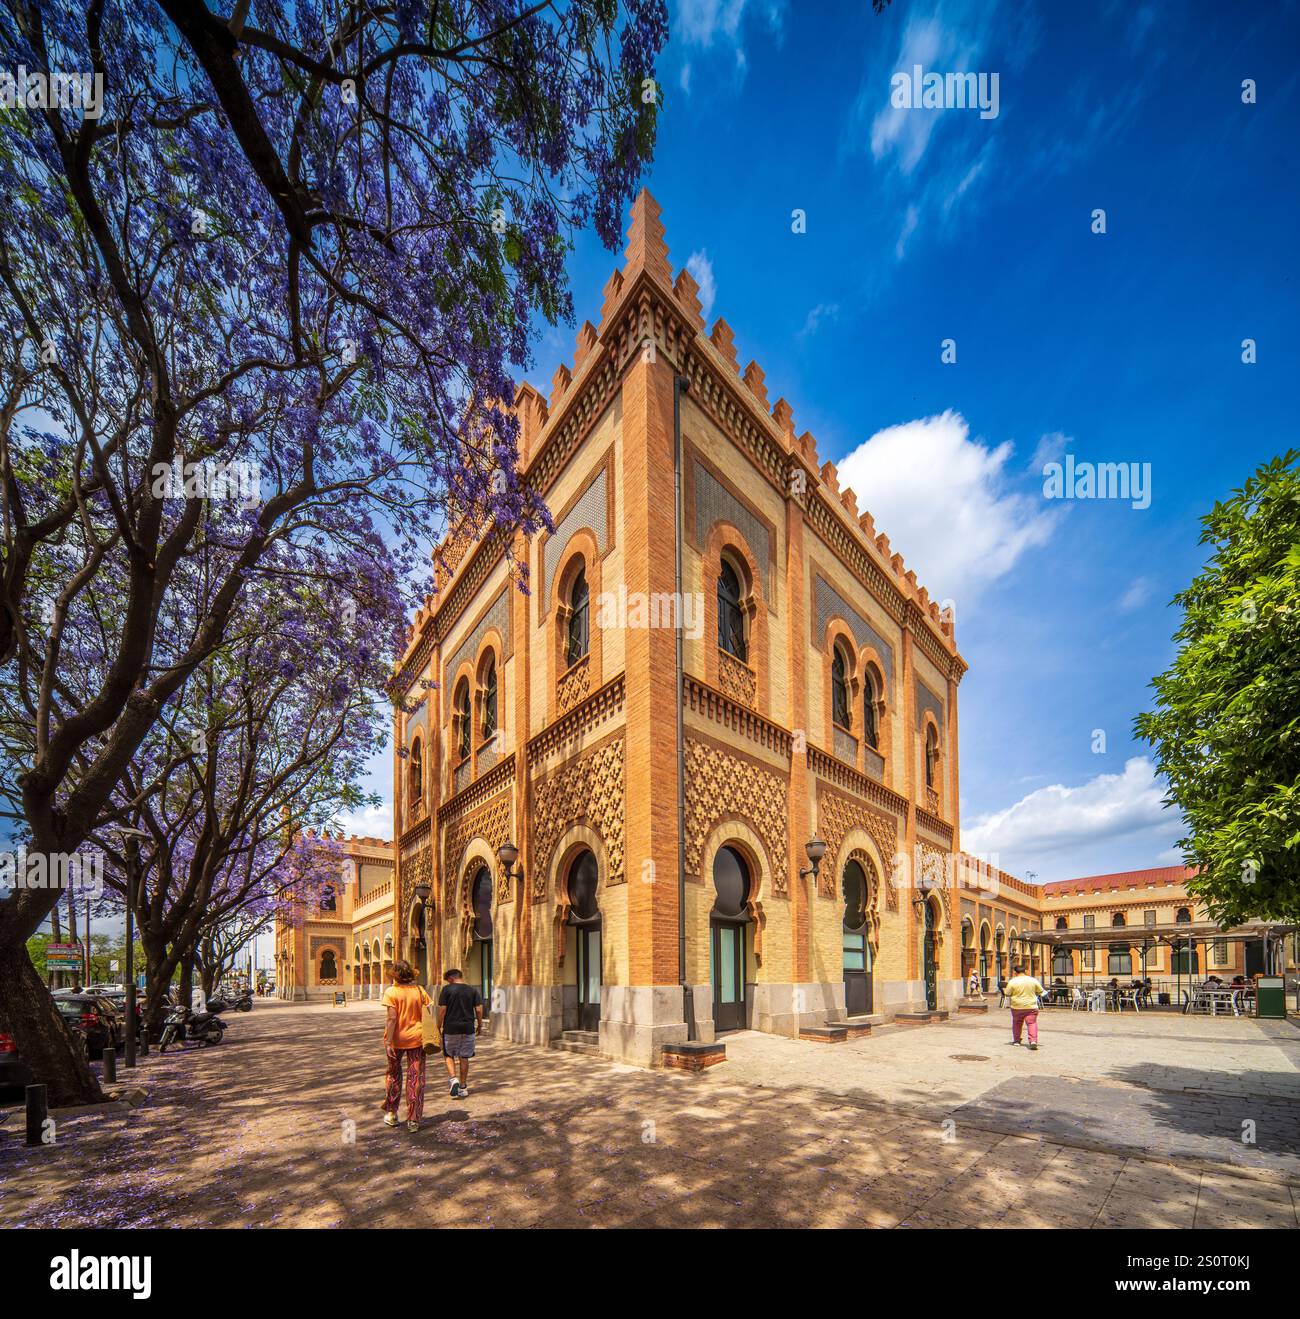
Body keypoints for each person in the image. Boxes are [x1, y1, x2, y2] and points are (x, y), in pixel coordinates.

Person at [381, 960, 432, 1132]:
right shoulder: (419, 990)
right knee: (415, 1077)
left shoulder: (391, 992)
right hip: (417, 1039)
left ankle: (391, 1113)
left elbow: (392, 1018)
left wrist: (388, 1041)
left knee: (393, 1074)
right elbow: (427, 1013)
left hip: (396, 1040)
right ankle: (413, 1119)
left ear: (395, 975)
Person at [437, 968, 484, 1100]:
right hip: (468, 1027)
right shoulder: (473, 990)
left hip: (451, 1028)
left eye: (448, 981)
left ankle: (453, 1079)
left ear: (451, 979)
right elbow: (479, 1010)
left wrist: (438, 1026)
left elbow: (442, 1010)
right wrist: (479, 1025)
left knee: (448, 1054)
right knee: (464, 1057)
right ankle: (463, 1087)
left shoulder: (447, 990)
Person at [1006, 962, 1046, 1050]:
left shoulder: (1012, 981)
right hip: (1031, 1006)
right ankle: (1033, 1041)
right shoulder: (1033, 980)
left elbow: (1007, 993)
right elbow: (1040, 991)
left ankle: (1016, 1041)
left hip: (1017, 1006)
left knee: (1017, 1023)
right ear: (1026, 971)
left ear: (1015, 973)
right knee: (1032, 1023)